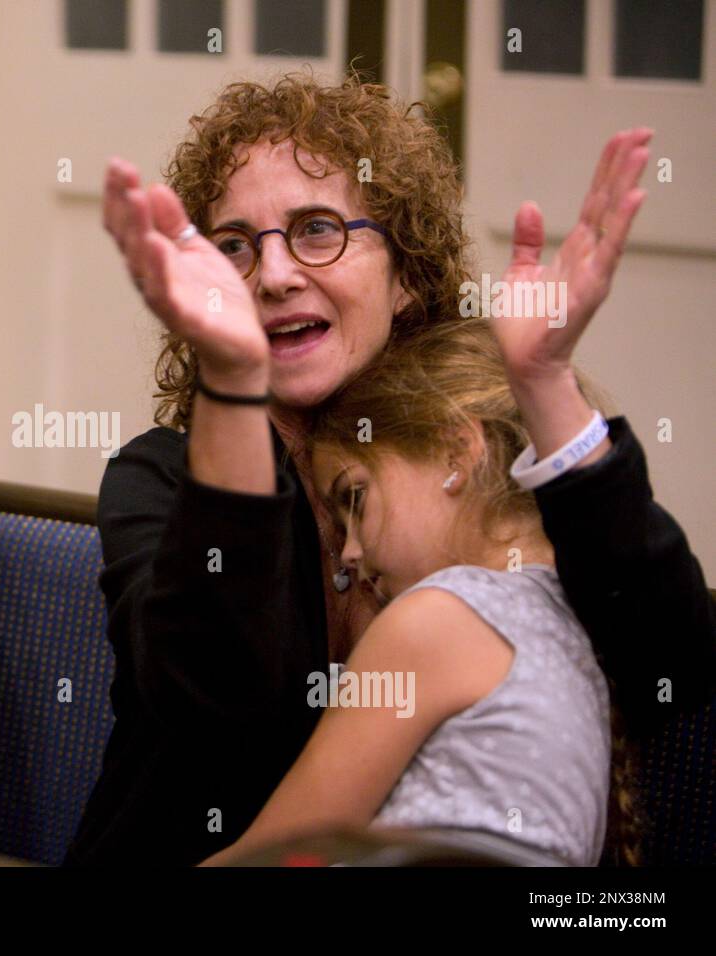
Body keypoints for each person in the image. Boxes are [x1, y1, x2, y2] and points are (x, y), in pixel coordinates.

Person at [65, 72, 714, 866]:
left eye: (317, 230)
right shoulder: (163, 478)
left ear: (405, 275)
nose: (272, 276)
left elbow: (667, 662)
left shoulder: (467, 462)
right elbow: (212, 712)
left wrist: (544, 385)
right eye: (235, 245)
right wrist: (230, 383)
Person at [202, 318, 628, 867]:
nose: (350, 553)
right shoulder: (571, 618)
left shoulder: (441, 618)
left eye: (355, 498)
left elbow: (270, 859)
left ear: (456, 453)